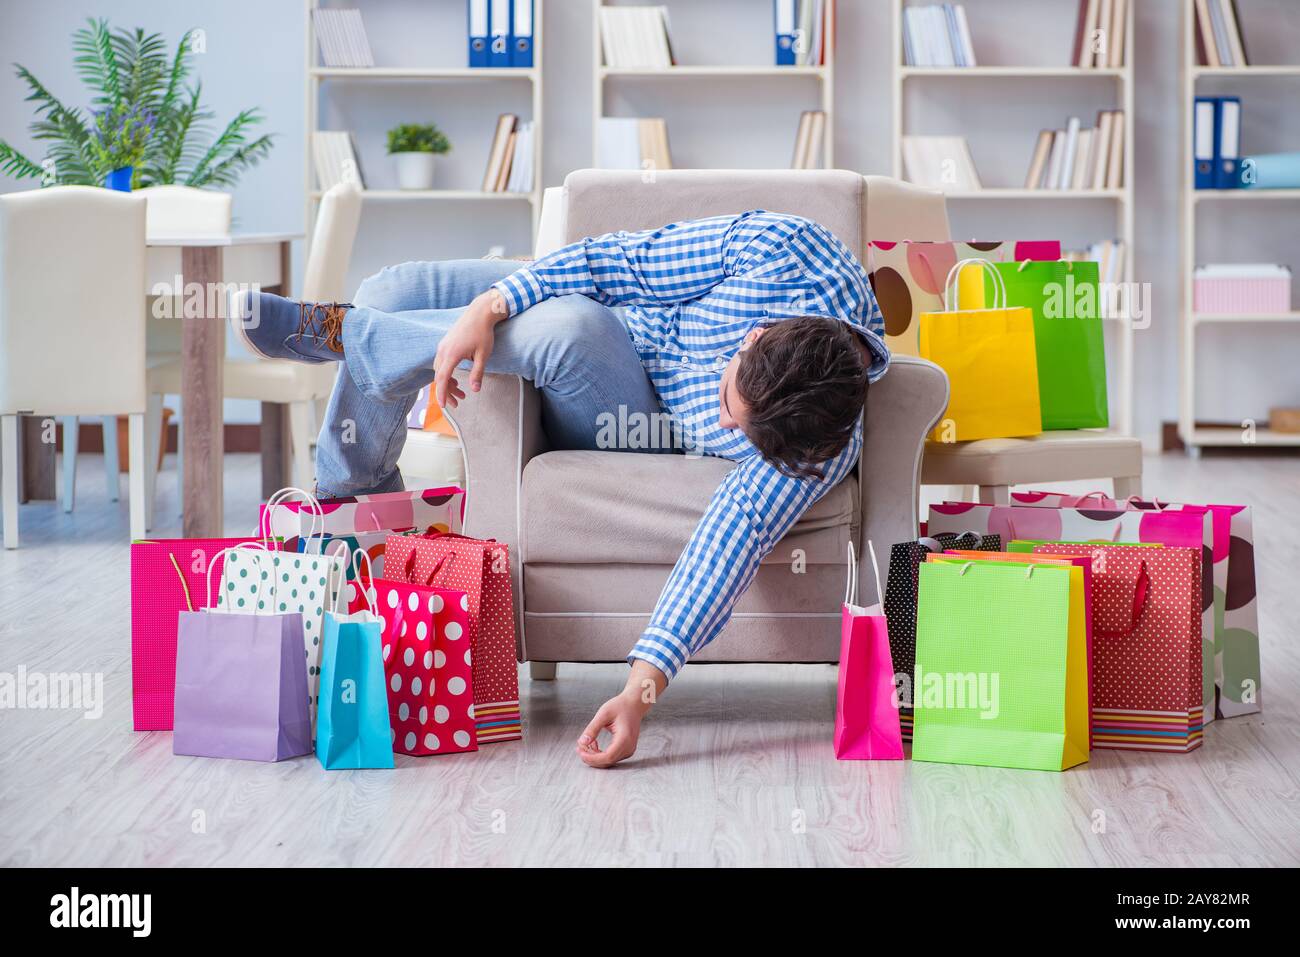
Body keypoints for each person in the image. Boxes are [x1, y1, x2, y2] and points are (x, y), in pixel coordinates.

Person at [234, 209, 889, 768]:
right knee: (393, 286)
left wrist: (639, 692)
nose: (721, 425)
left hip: (624, 412)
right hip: (619, 310)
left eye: (737, 431)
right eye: (726, 398)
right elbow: (617, 263)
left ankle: (344, 333)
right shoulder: (783, 249)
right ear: (755, 334)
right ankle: (353, 489)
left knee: (572, 327)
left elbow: (727, 545)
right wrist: (490, 308)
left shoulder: (816, 449)